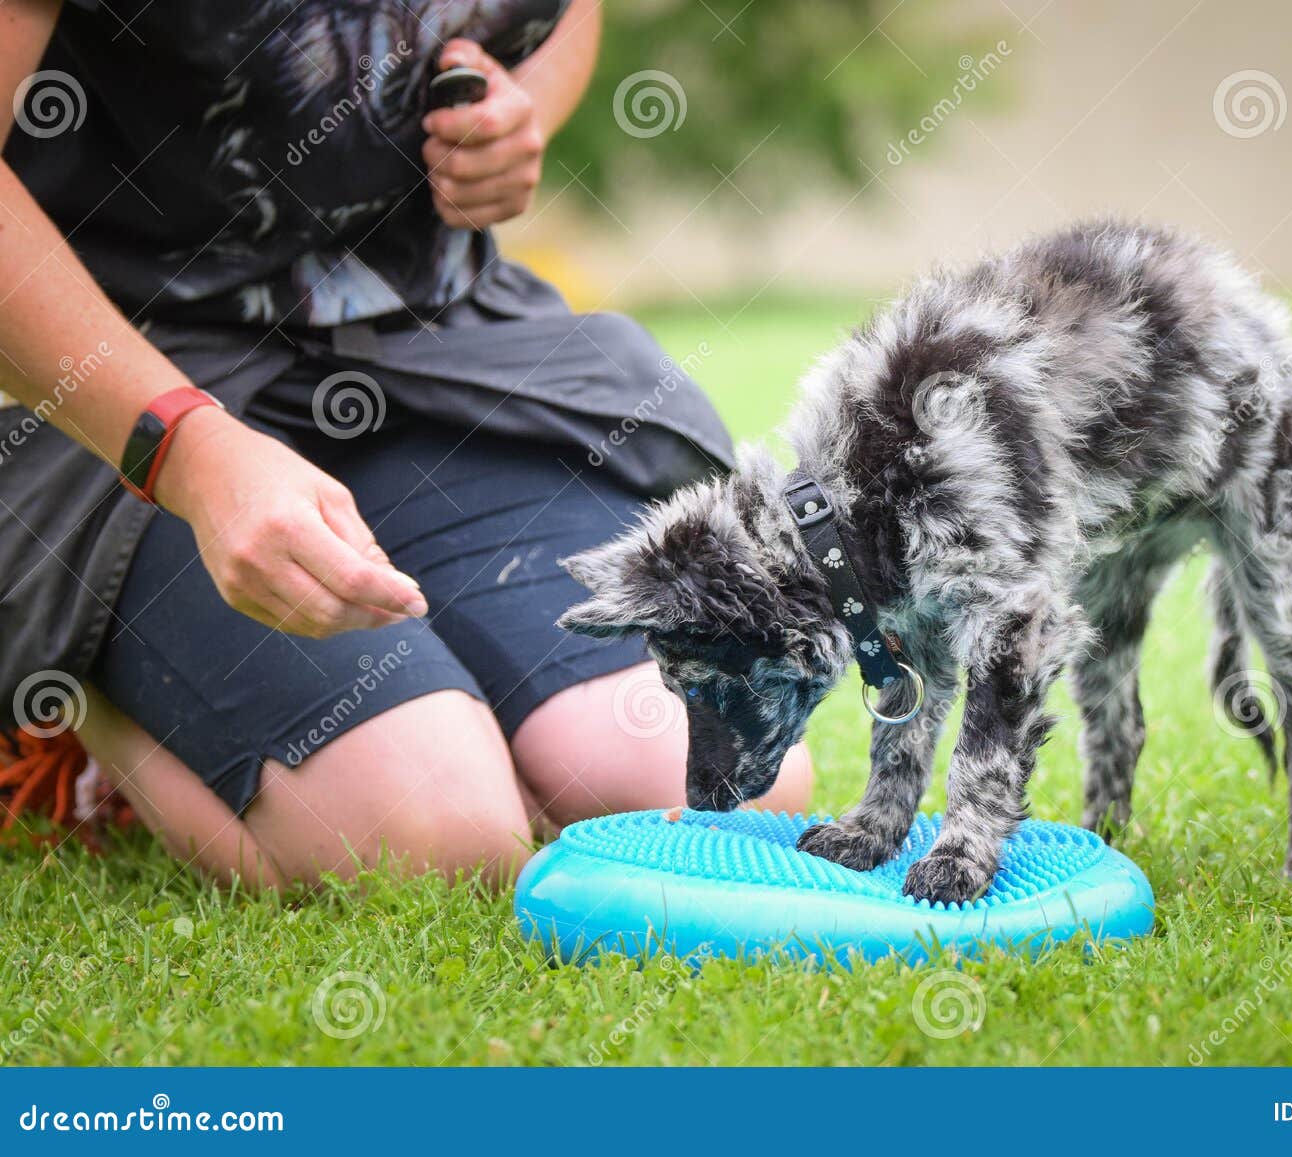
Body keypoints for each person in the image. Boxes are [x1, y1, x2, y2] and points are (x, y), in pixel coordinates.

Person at [0, 0, 812, 888]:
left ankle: (453, 710)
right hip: (103, 375)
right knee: (432, 839)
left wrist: (525, 106)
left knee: (729, 784)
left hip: (431, 349)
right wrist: (182, 450)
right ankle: (70, 675)